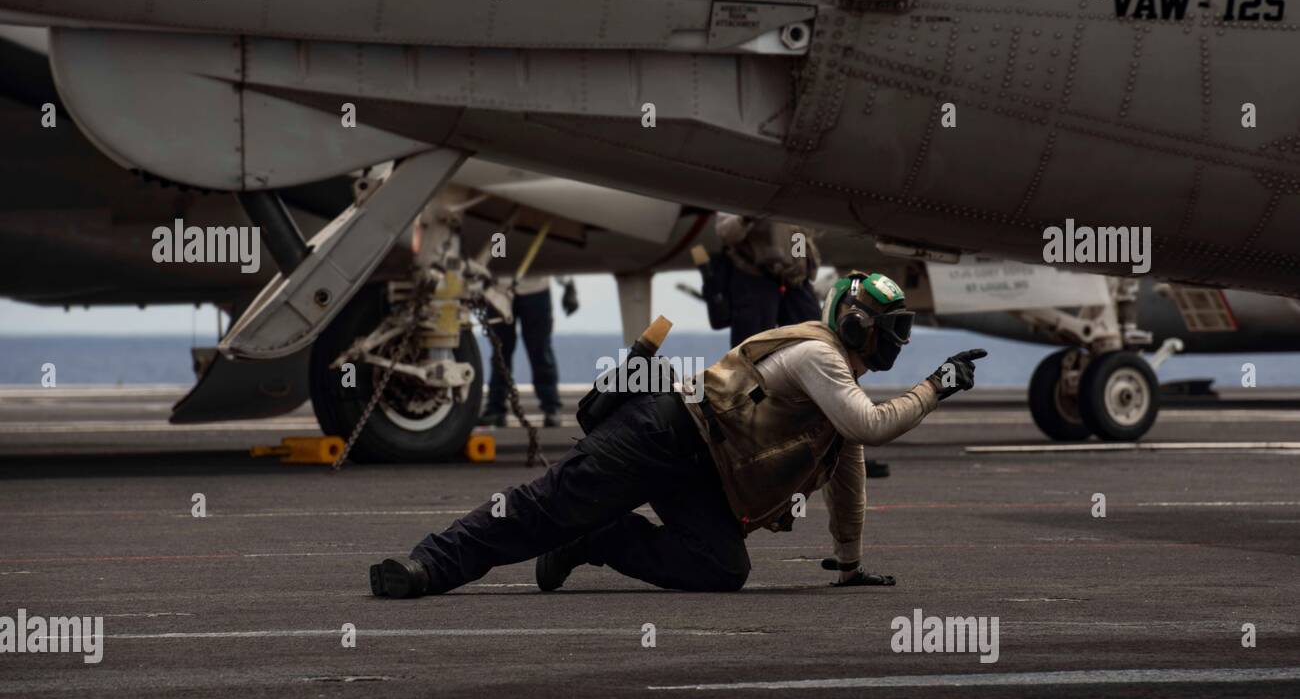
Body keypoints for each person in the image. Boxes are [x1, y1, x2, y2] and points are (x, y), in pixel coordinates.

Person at [367, 271, 986, 598]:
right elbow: (868, 428)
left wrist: (849, 566)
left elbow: (847, 467)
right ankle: (426, 566)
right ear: (854, 327)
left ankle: (598, 539)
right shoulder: (819, 358)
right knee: (546, 507)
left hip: (704, 468)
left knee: (722, 568)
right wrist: (937, 386)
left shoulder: (835, 382)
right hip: (664, 429)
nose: (898, 341)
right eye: (891, 328)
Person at [480, 274, 578, 428]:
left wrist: (568, 284)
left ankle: (551, 407)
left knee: (540, 351)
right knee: (500, 354)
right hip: (498, 292)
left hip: (535, 290)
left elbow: (550, 251)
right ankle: (495, 409)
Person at [715, 214, 823, 348]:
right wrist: (747, 217)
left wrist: (798, 265)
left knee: (815, 338)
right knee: (753, 347)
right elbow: (726, 232)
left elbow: (800, 233)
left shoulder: (794, 201)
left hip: (795, 282)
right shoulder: (740, 194)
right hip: (757, 280)